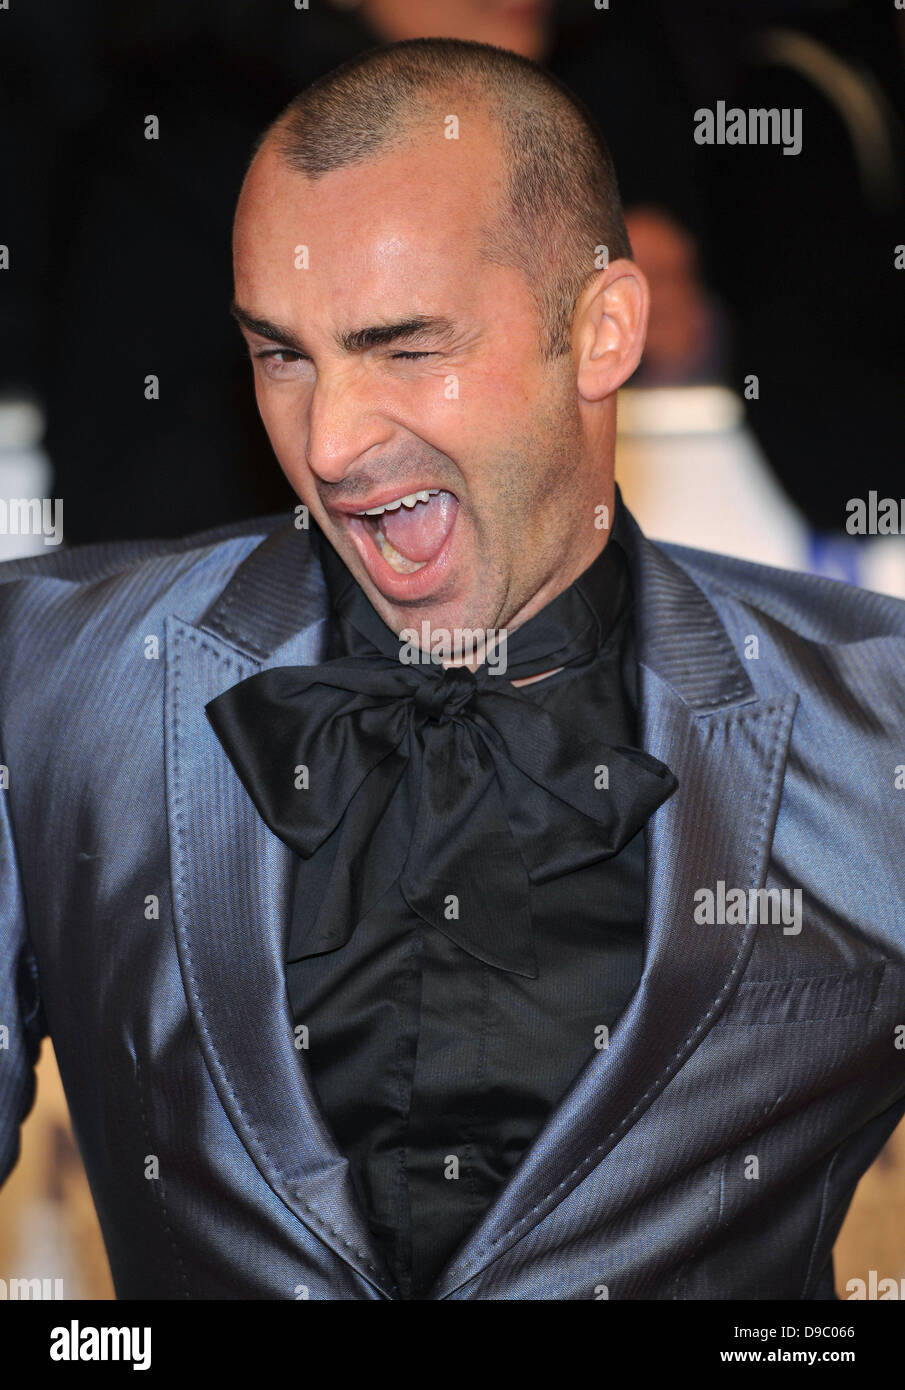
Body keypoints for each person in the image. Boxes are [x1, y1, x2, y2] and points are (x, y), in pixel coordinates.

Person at [1, 38, 903, 1302]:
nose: (329, 441)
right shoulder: (48, 671)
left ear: (599, 333)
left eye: (402, 346)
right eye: (281, 354)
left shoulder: (873, 729)